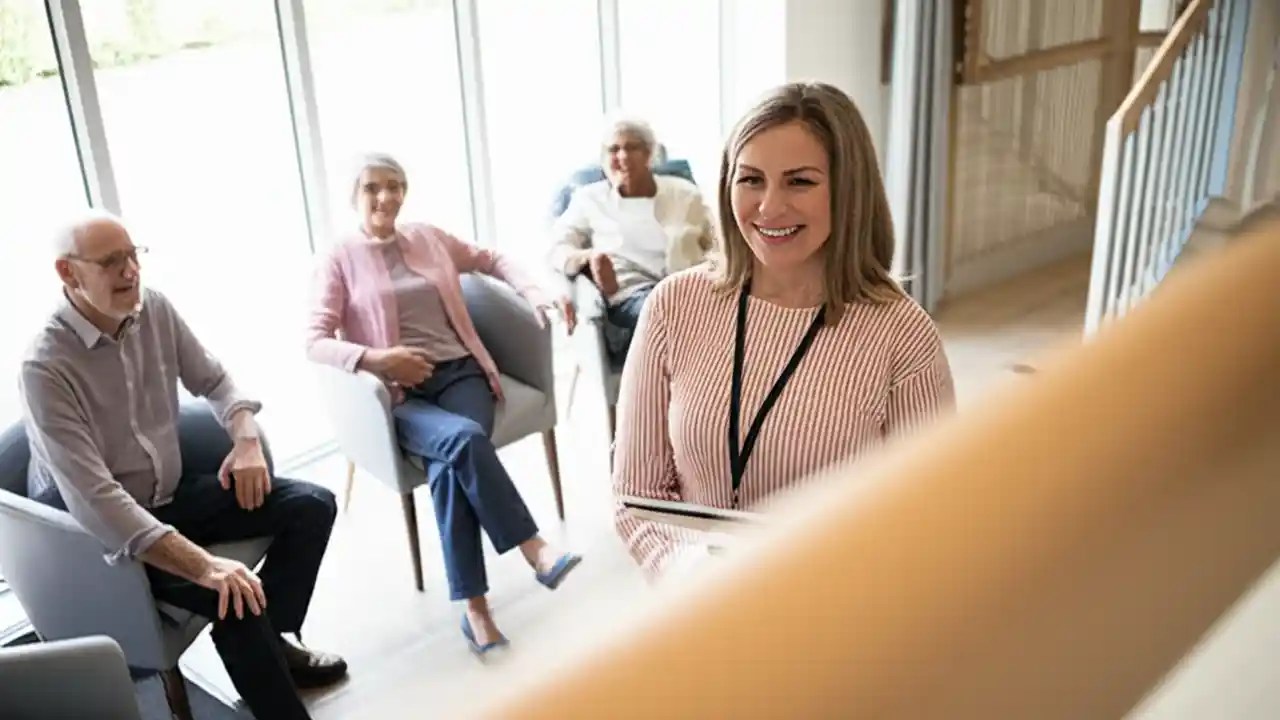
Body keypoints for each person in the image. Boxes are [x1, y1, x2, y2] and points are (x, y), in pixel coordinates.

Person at [612, 82, 956, 578]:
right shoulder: (673, 306)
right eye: (751, 179)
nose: (769, 208)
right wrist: (687, 578)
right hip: (695, 611)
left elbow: (927, 522)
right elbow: (637, 498)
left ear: (848, 190)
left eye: (799, 182)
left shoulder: (903, 335)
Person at [20, 211, 346, 719]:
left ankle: (270, 648)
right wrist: (207, 565)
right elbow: (97, 500)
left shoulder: (154, 309)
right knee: (236, 599)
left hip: (167, 494)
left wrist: (245, 441)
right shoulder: (44, 367)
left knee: (311, 505)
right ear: (68, 273)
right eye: (111, 262)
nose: (131, 271)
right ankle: (270, 675)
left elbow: (215, 381)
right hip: (98, 535)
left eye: (133, 255)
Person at [306, 153, 582, 656]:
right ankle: (533, 549)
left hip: (460, 375)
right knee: (463, 442)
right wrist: (379, 359)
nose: (385, 197)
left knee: (451, 465)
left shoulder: (427, 237)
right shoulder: (339, 259)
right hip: (399, 395)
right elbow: (316, 340)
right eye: (373, 188)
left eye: (394, 186)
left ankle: (475, 610)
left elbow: (492, 259)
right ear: (354, 196)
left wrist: (535, 291)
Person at [548, 115, 715, 362]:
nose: (622, 157)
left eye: (632, 147)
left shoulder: (684, 194)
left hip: (689, 286)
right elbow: (557, 246)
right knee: (668, 314)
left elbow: (718, 243)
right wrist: (587, 258)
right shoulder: (590, 199)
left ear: (650, 154)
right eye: (614, 149)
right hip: (632, 294)